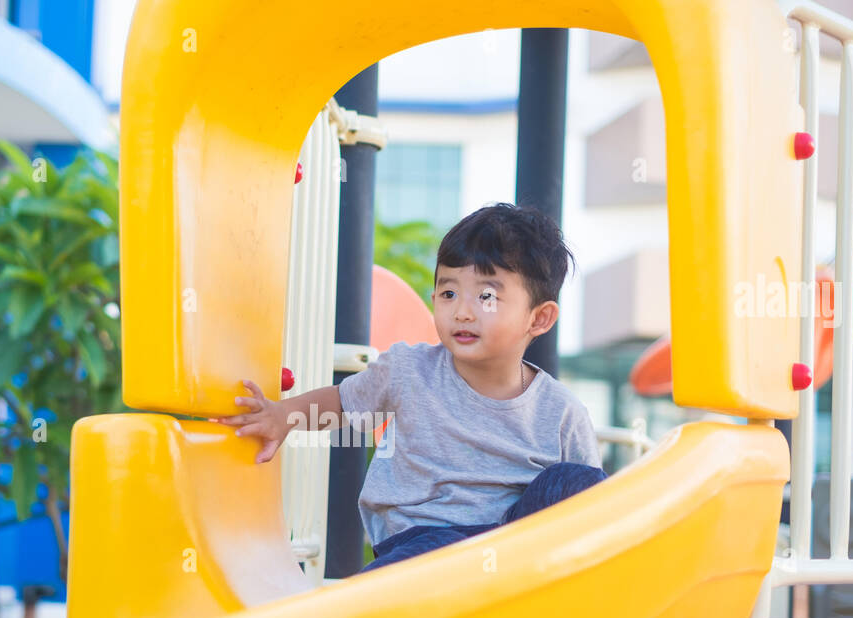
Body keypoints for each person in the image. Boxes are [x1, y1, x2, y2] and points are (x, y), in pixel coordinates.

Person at [213, 202, 607, 573]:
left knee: (579, 483)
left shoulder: (561, 412)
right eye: (449, 293)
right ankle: (358, 613)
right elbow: (344, 403)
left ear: (539, 319)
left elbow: (587, 510)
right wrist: (283, 417)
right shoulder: (409, 370)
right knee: (413, 566)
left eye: (486, 295)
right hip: (424, 541)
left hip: (512, 552)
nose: (462, 310)